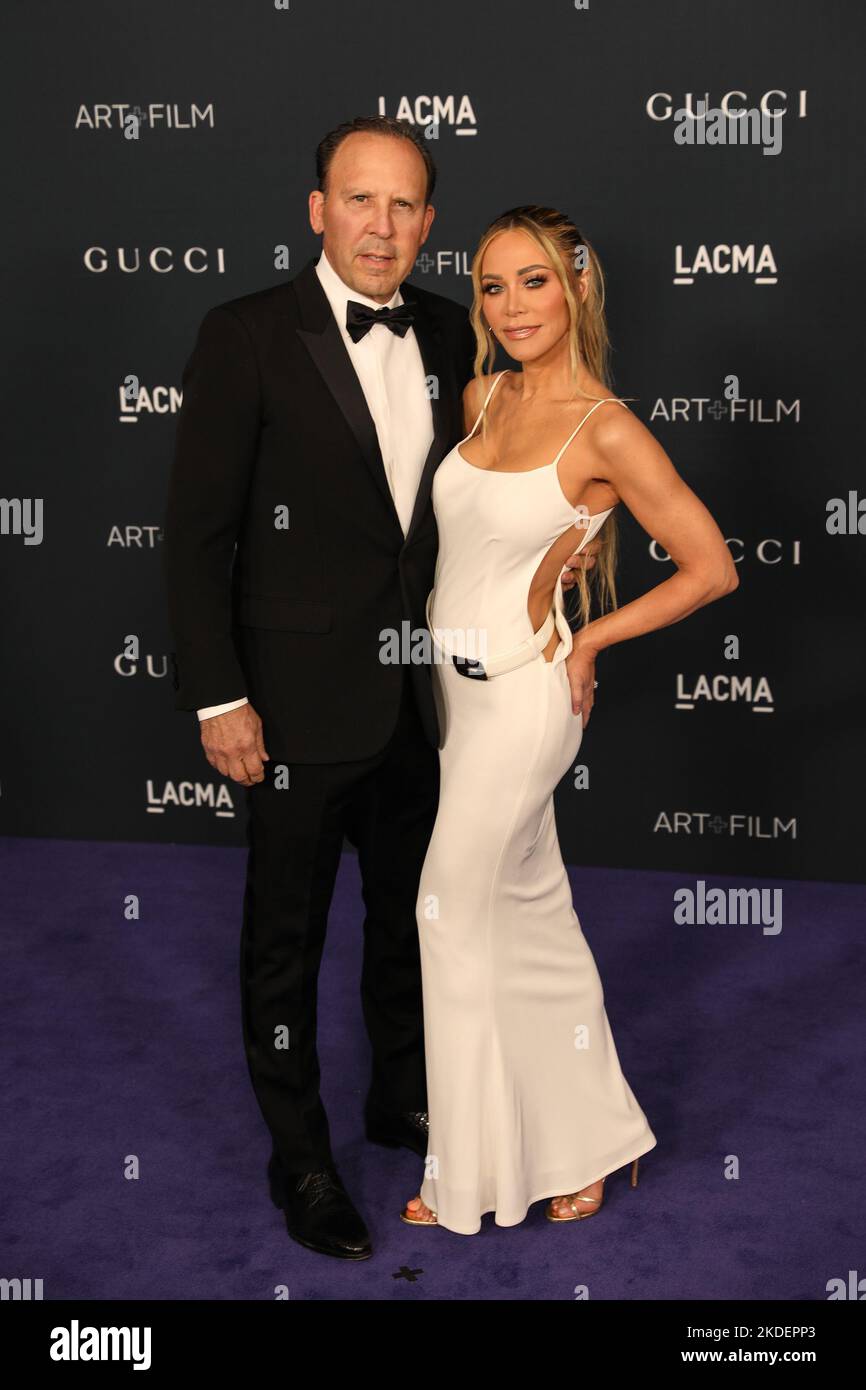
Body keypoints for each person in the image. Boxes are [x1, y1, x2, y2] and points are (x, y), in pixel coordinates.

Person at [162, 120, 599, 1261]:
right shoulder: (245, 335)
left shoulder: (460, 337)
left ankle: (400, 1103)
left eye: (403, 207)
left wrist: (565, 609)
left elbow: (527, 494)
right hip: (291, 708)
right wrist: (219, 698)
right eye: (359, 201)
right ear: (318, 209)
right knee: (285, 943)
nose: (380, 226)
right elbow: (195, 538)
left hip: (427, 705)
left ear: (428, 226)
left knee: (417, 927)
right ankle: (301, 1159)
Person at [401, 206, 739, 1234]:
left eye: (533, 281)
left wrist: (589, 639)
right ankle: (594, 1137)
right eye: (493, 286)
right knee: (530, 915)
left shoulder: (607, 428)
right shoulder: (479, 393)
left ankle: (465, 1177)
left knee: (446, 910)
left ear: (576, 287)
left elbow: (710, 566)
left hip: (526, 694)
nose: (511, 307)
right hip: (450, 692)